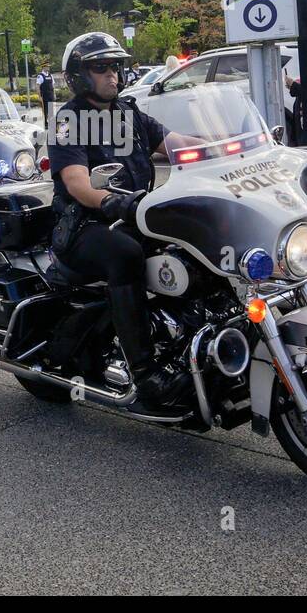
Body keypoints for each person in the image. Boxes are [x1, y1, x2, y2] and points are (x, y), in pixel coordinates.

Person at [48, 31, 191, 405]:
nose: (112, 75)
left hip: (133, 215)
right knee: (125, 254)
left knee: (190, 246)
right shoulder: (69, 120)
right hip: (84, 225)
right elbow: (78, 184)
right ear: (79, 75)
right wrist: (113, 201)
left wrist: (235, 147)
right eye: (100, 68)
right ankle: (146, 374)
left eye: (115, 66)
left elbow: (180, 145)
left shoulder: (130, 113)